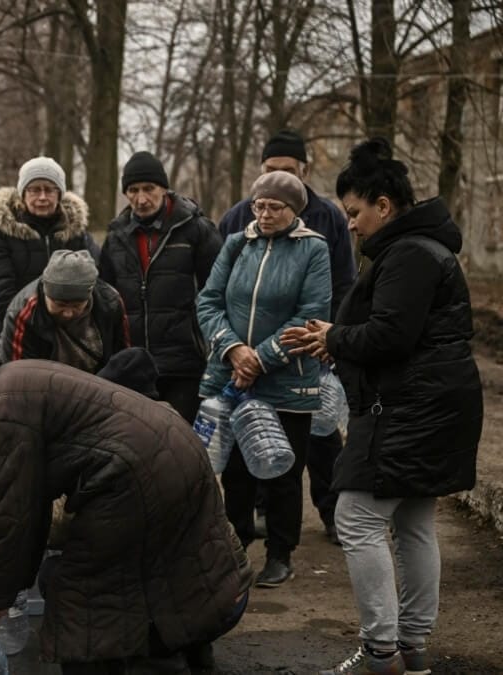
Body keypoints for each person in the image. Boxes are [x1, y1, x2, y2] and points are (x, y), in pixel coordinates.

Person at [0, 351, 252, 672]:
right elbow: (31, 508)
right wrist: (4, 593)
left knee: (83, 599)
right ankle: (191, 654)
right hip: (169, 448)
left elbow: (13, 523)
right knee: (162, 573)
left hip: (131, 475)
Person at [282, 139, 482, 675]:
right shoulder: (417, 248)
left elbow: (391, 335)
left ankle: (381, 653)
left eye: (354, 213)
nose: (349, 225)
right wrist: (340, 336)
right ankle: (410, 650)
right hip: (432, 402)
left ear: (384, 206)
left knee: (357, 517)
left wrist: (336, 337)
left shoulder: (411, 254)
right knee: (414, 520)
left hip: (410, 406)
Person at [217, 129, 358, 547]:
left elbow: (342, 283)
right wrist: (234, 350)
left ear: (305, 171)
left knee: (319, 440)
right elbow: (216, 291)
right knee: (249, 444)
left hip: (307, 351)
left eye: (288, 172)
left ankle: (330, 514)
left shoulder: (327, 219)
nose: (278, 181)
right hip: (243, 359)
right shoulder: (238, 219)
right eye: (271, 172)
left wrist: (332, 341)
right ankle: (257, 518)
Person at [195, 170, 331, 589]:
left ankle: (280, 552)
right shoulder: (237, 244)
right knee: (235, 470)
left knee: (282, 470)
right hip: (231, 373)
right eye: (259, 205)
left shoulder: (313, 250)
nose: (266, 214)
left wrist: (262, 358)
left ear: (295, 210)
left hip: (287, 380)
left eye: (276, 207)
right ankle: (236, 544)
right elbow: (208, 301)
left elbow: (311, 313)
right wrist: (234, 350)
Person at [98, 151, 222, 421]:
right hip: (132, 365)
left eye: (148, 189)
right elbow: (104, 299)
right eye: (133, 190)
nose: (141, 199)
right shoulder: (115, 237)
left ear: (164, 188)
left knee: (182, 444)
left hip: (185, 364)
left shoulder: (197, 231)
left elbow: (219, 293)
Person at [0, 156, 99, 344]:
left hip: (70, 334)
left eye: (49, 190)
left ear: (60, 194)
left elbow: (94, 282)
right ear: (23, 194)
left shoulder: (77, 232)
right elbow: (0, 289)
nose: (42, 197)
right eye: (35, 190)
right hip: (14, 332)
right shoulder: (1, 232)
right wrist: (37, 321)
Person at [0, 249, 129, 373]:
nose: (68, 313)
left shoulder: (111, 303)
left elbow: (121, 359)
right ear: (46, 294)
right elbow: (18, 375)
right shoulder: (23, 312)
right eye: (59, 304)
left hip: (94, 383)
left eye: (77, 305)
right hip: (40, 382)